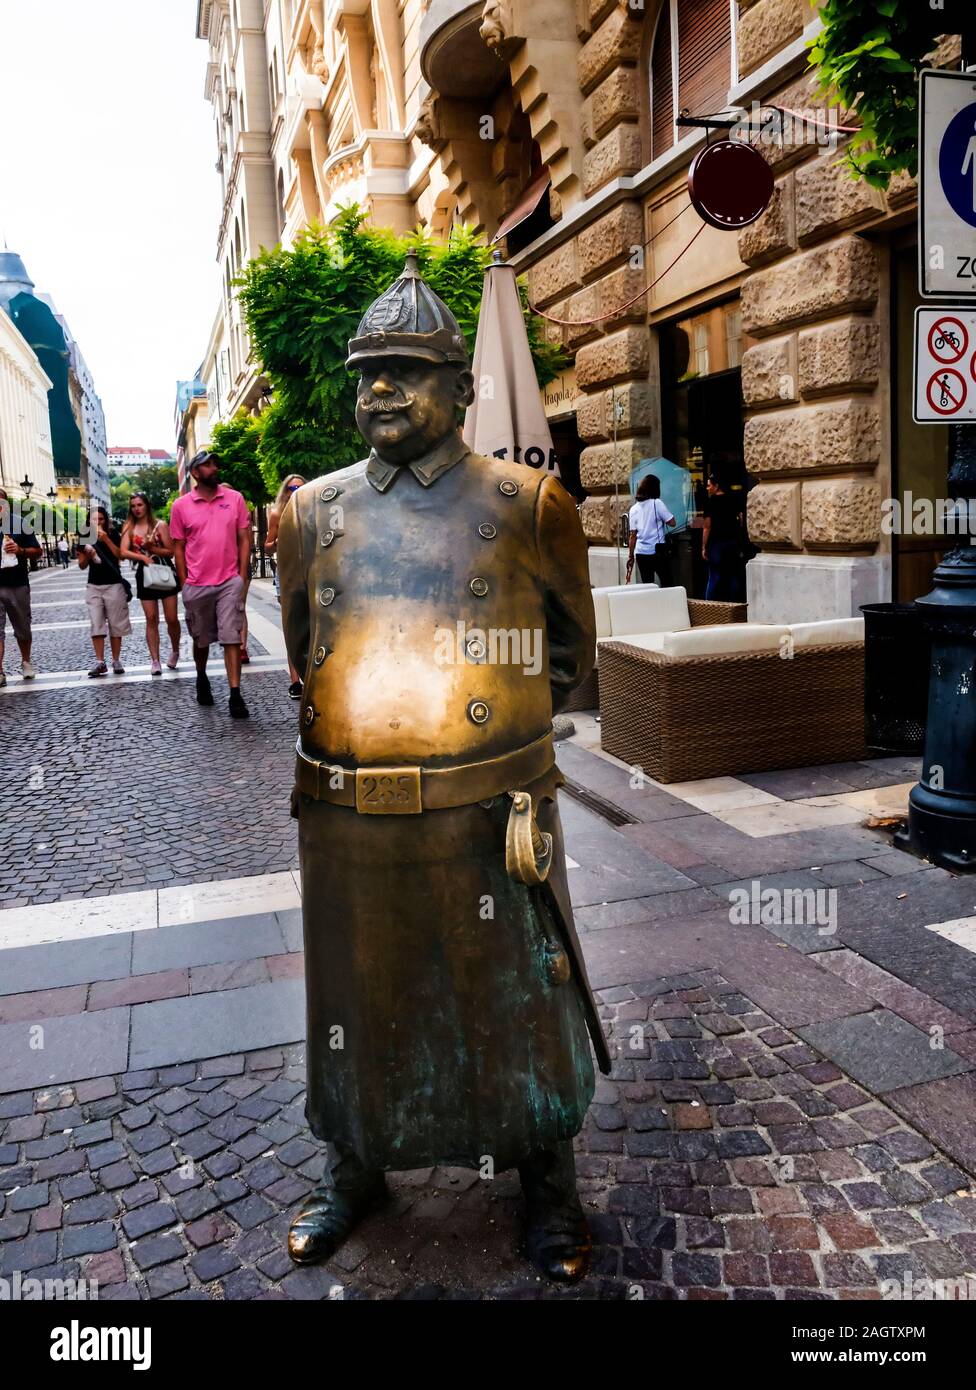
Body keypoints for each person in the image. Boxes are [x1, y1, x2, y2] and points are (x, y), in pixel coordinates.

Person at [278, 253, 608, 1284]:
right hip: (348, 819)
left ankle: (544, 1170)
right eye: (366, 369)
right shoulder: (312, 513)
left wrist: (489, 739)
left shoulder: (527, 503)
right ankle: (357, 1158)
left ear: (462, 390)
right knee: (356, 993)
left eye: (406, 370)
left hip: (490, 812)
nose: (378, 387)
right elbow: (305, 649)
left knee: (519, 985)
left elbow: (568, 653)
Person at [169, 449, 251, 719]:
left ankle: (235, 695)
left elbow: (243, 540)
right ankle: (201, 675)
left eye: (216, 464)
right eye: (207, 465)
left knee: (231, 636)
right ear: (195, 473)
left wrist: (240, 577)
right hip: (198, 583)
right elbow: (178, 547)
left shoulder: (235, 499)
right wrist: (185, 583)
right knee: (200, 639)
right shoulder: (181, 506)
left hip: (229, 581)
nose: (214, 468)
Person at [120, 492, 182, 676]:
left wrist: (151, 548)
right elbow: (123, 552)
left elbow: (171, 551)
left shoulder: (159, 525)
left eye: (140, 505)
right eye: (133, 506)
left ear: (146, 505)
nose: (137, 509)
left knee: (171, 618)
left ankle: (175, 650)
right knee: (151, 617)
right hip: (144, 575)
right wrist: (141, 556)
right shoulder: (129, 527)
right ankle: (155, 660)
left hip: (164, 572)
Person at [264, 473, 306, 699]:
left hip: (310, 570)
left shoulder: (312, 510)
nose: (296, 491)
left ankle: (311, 677)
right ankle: (294, 681)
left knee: (313, 626)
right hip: (286, 573)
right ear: (285, 490)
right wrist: (280, 540)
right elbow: (267, 546)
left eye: (300, 487)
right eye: (292, 488)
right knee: (292, 627)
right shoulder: (277, 514)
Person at [79, 505, 131, 677]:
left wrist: (107, 539)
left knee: (116, 624)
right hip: (94, 585)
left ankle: (116, 660)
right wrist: (88, 554)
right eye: (94, 519)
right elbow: (81, 565)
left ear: (106, 520)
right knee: (96, 623)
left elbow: (120, 556)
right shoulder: (85, 536)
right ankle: (100, 662)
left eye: (101, 519)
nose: (98, 522)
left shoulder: (114, 535)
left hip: (114, 584)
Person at [0, 486, 42, 686]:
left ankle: (26, 661)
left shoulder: (20, 524)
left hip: (17, 583)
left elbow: (38, 551)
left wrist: (20, 549)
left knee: (23, 628)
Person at [702, 471, 749, 602]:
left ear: (716, 486)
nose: (707, 488)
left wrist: (703, 546)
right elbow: (741, 518)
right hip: (732, 542)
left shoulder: (710, 502)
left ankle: (710, 605)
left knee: (714, 577)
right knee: (733, 575)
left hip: (716, 543)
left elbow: (707, 526)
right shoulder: (733, 499)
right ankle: (735, 605)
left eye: (709, 485)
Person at [626, 473, 675, 586]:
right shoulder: (657, 503)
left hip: (641, 553)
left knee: (648, 586)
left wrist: (630, 556)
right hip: (657, 552)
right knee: (667, 583)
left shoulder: (633, 509)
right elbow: (672, 522)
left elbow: (632, 536)